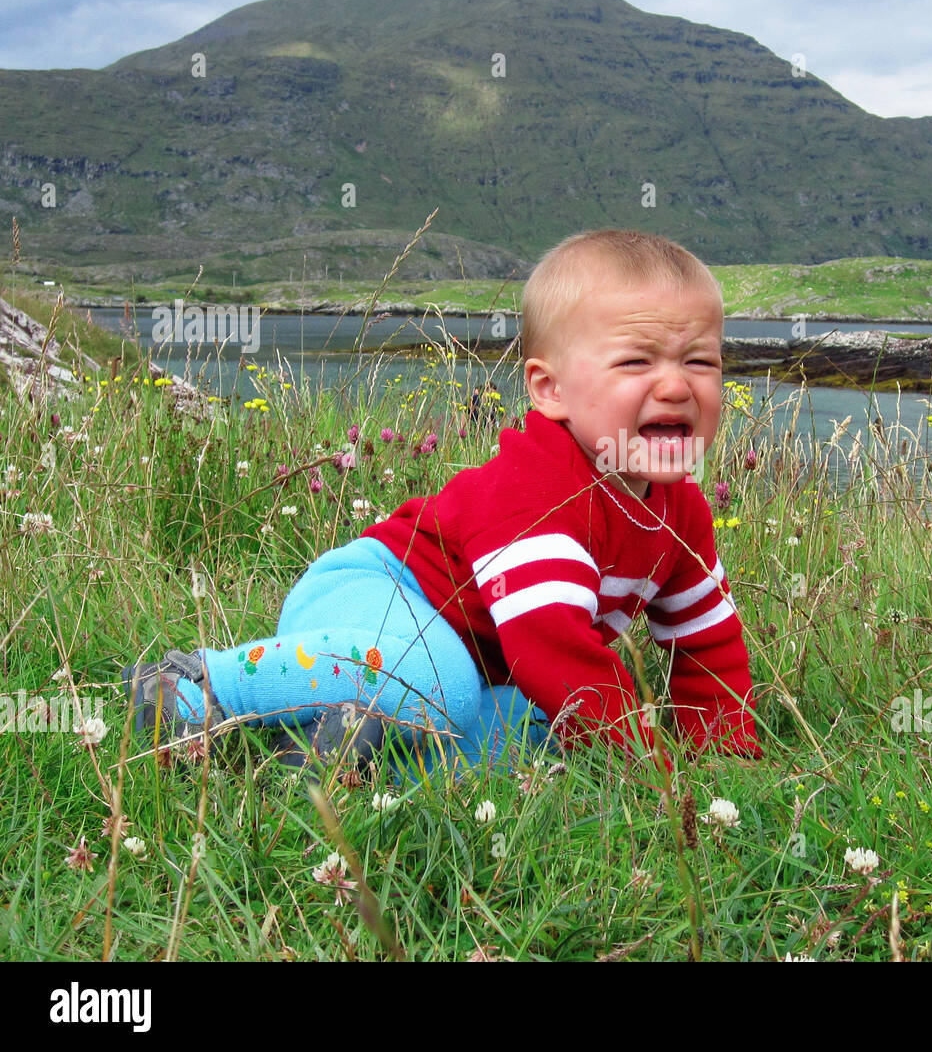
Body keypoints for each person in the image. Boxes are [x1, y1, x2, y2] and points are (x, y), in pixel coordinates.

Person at [122, 229, 762, 773]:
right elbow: (553, 651)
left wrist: (727, 753)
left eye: (700, 361)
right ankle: (202, 685)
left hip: (477, 659)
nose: (676, 385)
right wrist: (647, 762)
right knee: (447, 686)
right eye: (636, 362)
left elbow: (708, 644)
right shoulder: (540, 488)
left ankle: (347, 748)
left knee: (540, 726)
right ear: (550, 389)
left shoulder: (683, 514)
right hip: (377, 592)